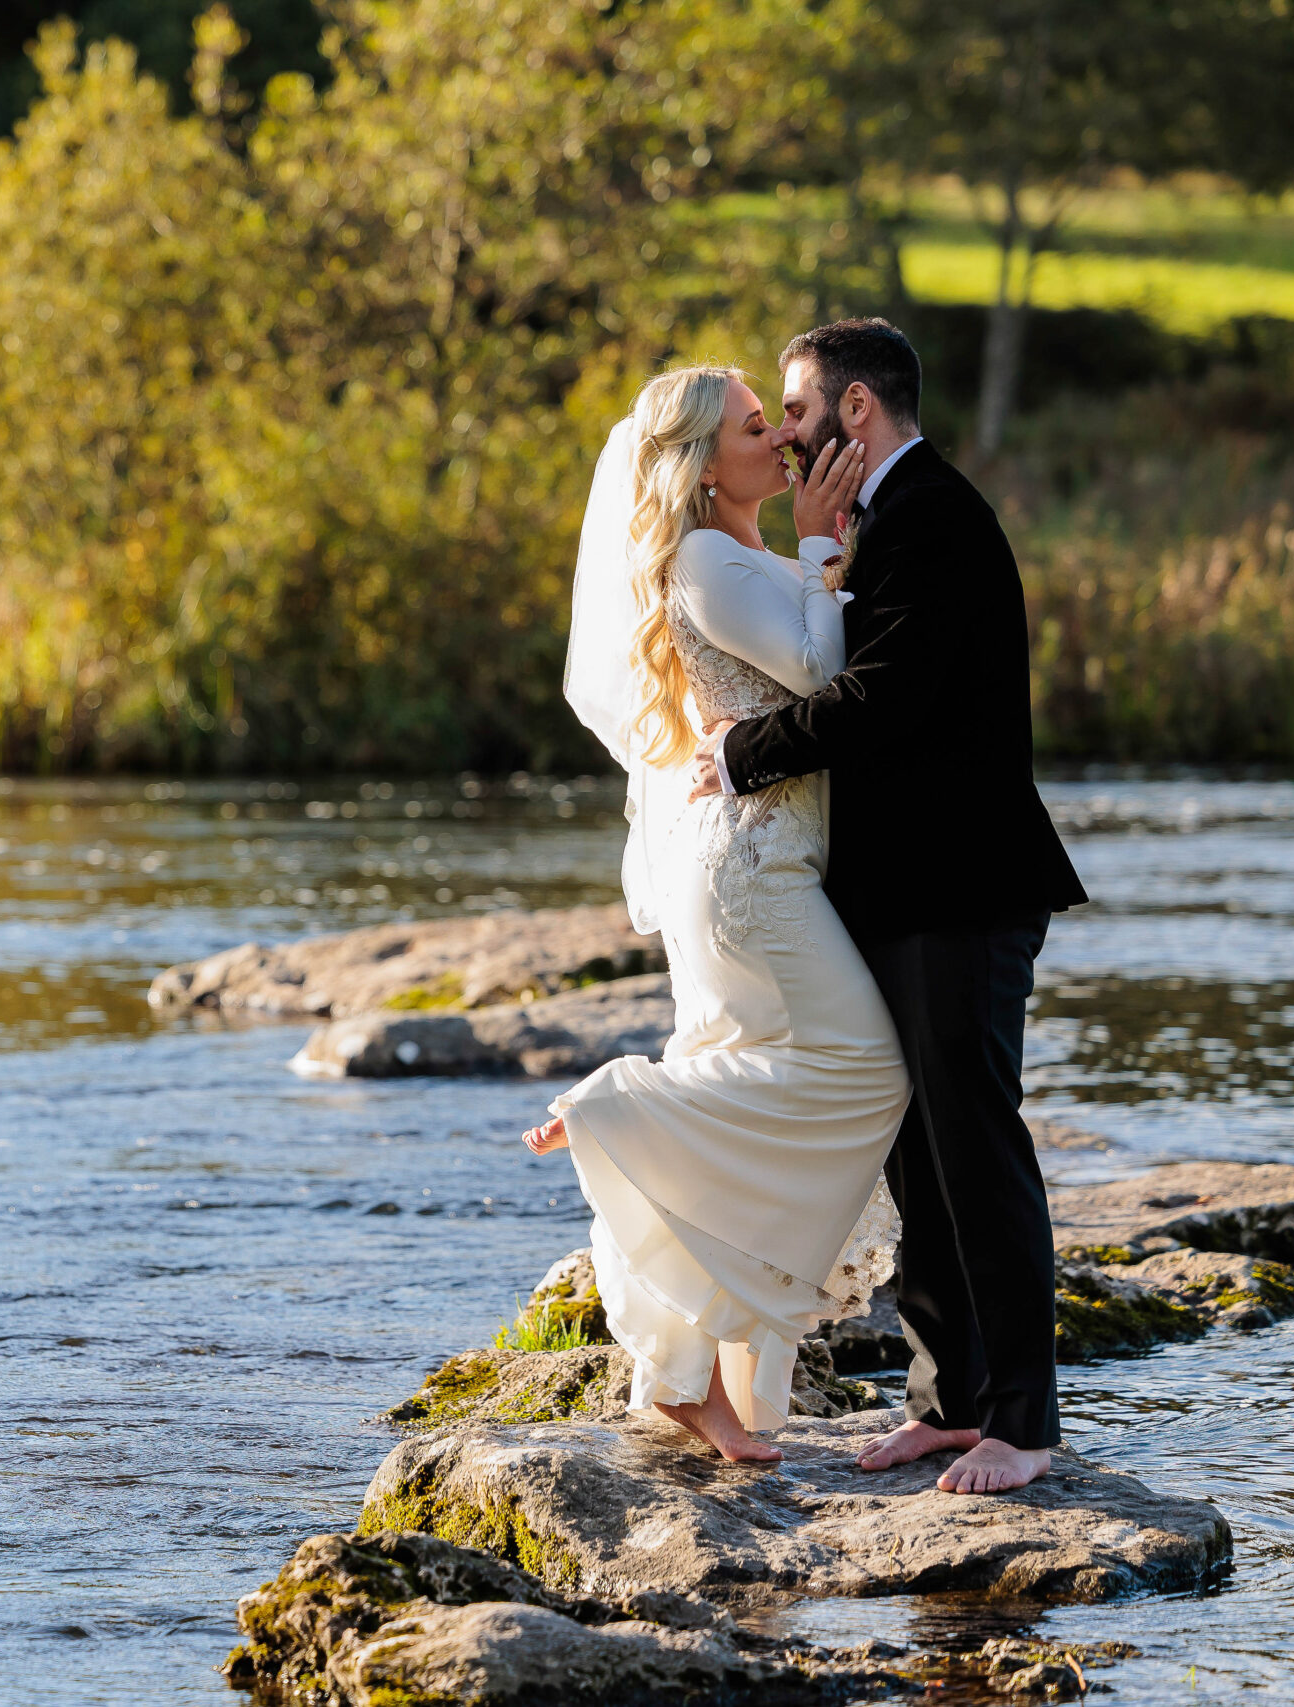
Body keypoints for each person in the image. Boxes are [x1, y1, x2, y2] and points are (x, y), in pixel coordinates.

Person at [693, 319, 1088, 1494]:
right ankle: (948, 1402)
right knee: (916, 1155)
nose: (787, 432)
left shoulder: (933, 518)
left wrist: (741, 754)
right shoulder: (887, 518)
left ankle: (1023, 1423)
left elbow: (882, 697)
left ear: (855, 408)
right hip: (904, 891)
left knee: (974, 1145)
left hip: (963, 890)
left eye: (797, 409)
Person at [518, 360, 909, 1465]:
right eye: (753, 426)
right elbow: (821, 674)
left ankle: (687, 1380)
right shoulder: (703, 558)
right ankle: (616, 1108)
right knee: (867, 1068)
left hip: (770, 859)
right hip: (751, 871)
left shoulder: (745, 556)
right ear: (700, 465)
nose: (780, 439)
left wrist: (820, 550)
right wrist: (825, 541)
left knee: (751, 1074)